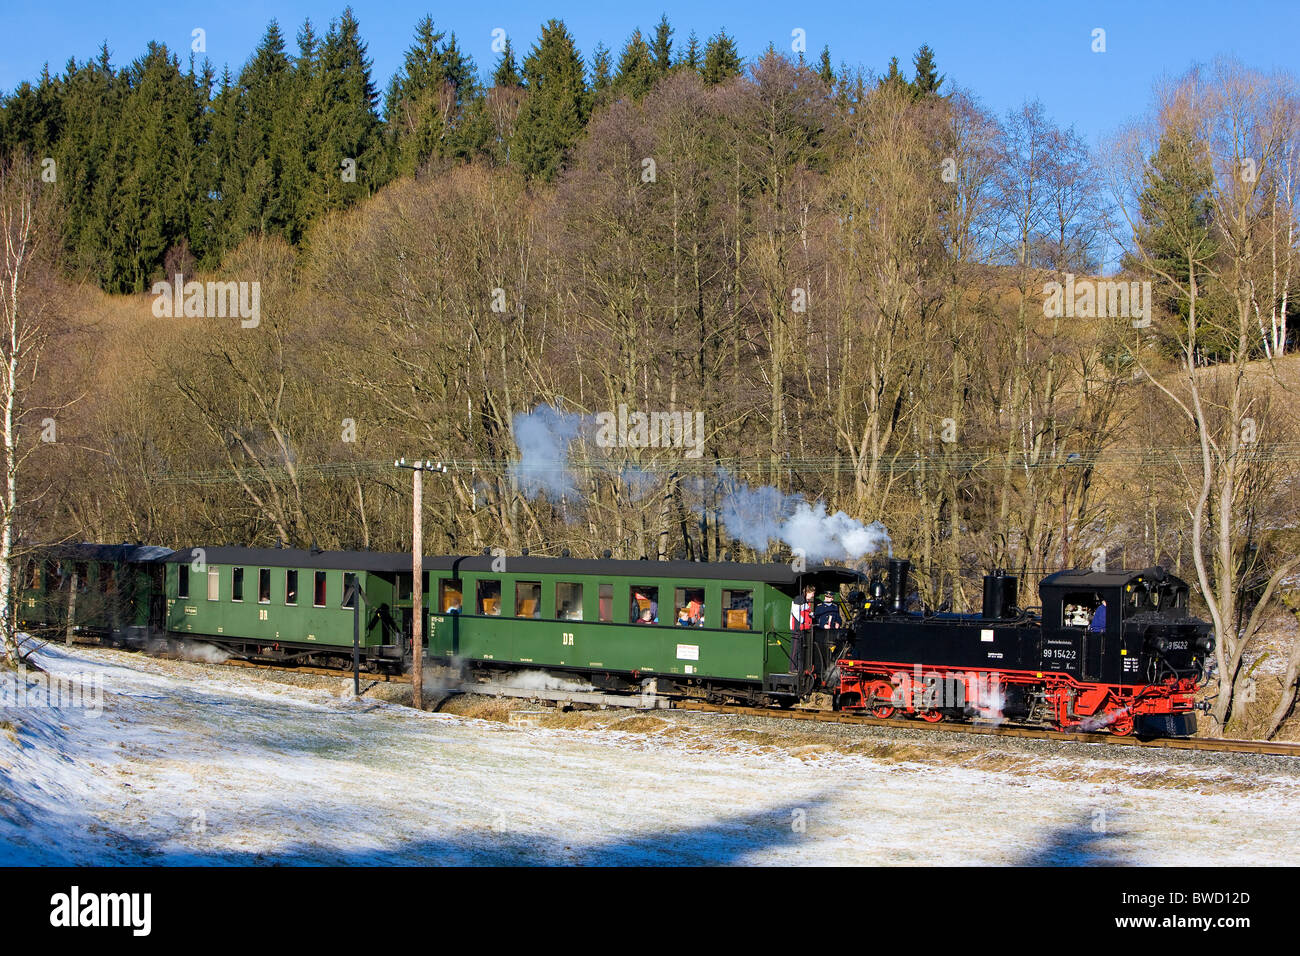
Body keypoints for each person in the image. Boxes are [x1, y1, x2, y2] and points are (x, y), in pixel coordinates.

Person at [789, 585, 816, 673]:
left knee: (800, 650)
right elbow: (796, 612)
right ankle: (792, 668)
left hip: (803, 628)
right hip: (797, 628)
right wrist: (804, 620)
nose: (813, 595)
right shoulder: (799, 599)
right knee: (795, 649)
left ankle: (799, 668)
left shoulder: (805, 601)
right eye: (812, 593)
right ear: (808, 592)